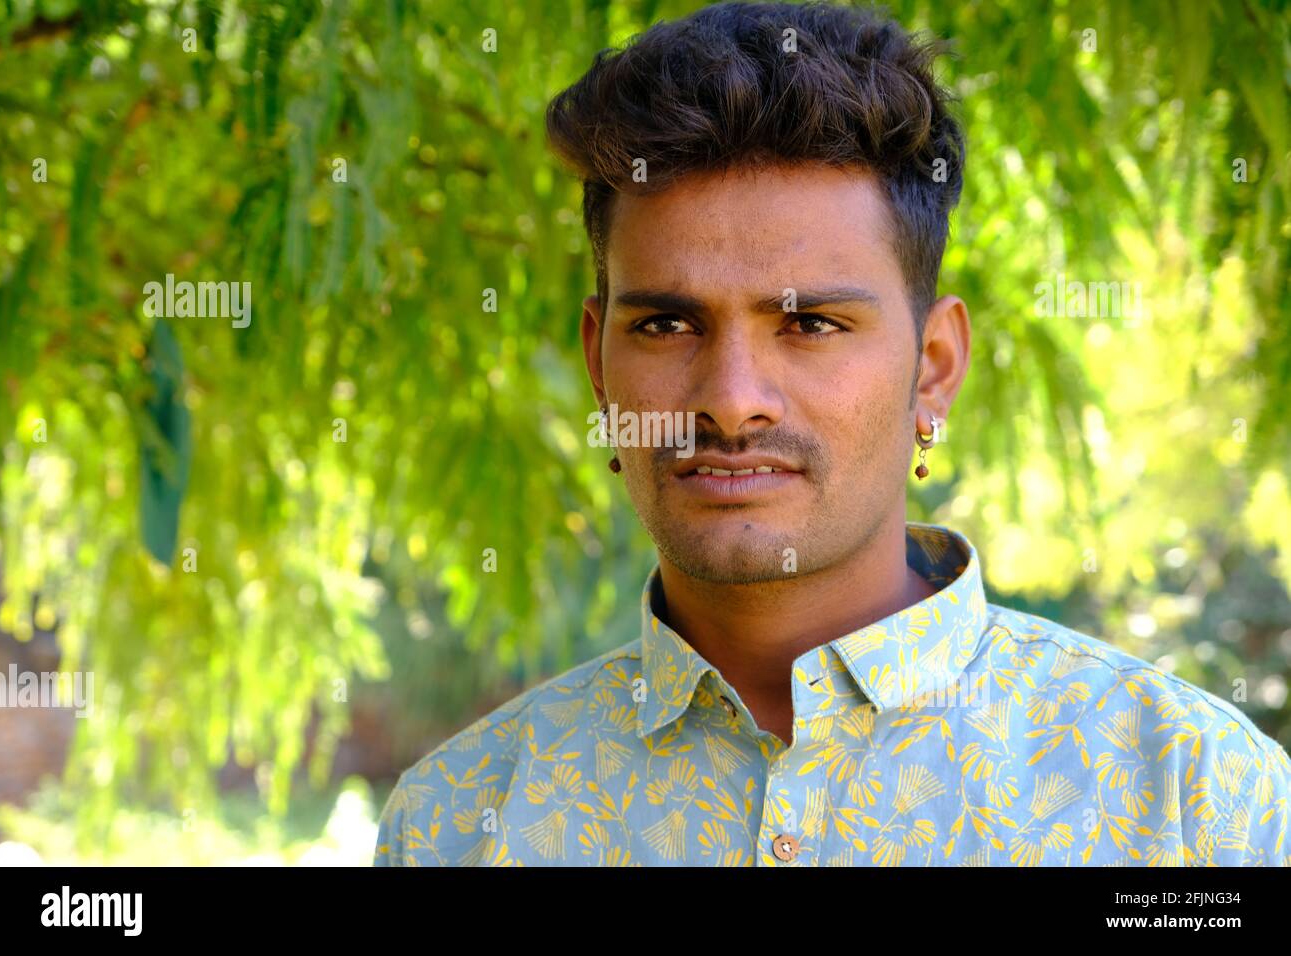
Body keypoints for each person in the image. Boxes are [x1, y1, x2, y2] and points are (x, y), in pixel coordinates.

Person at [375, 0, 1290, 866]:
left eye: (810, 324)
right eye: (666, 324)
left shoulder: (1193, 803)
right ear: (598, 365)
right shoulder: (456, 822)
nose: (732, 403)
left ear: (933, 367)